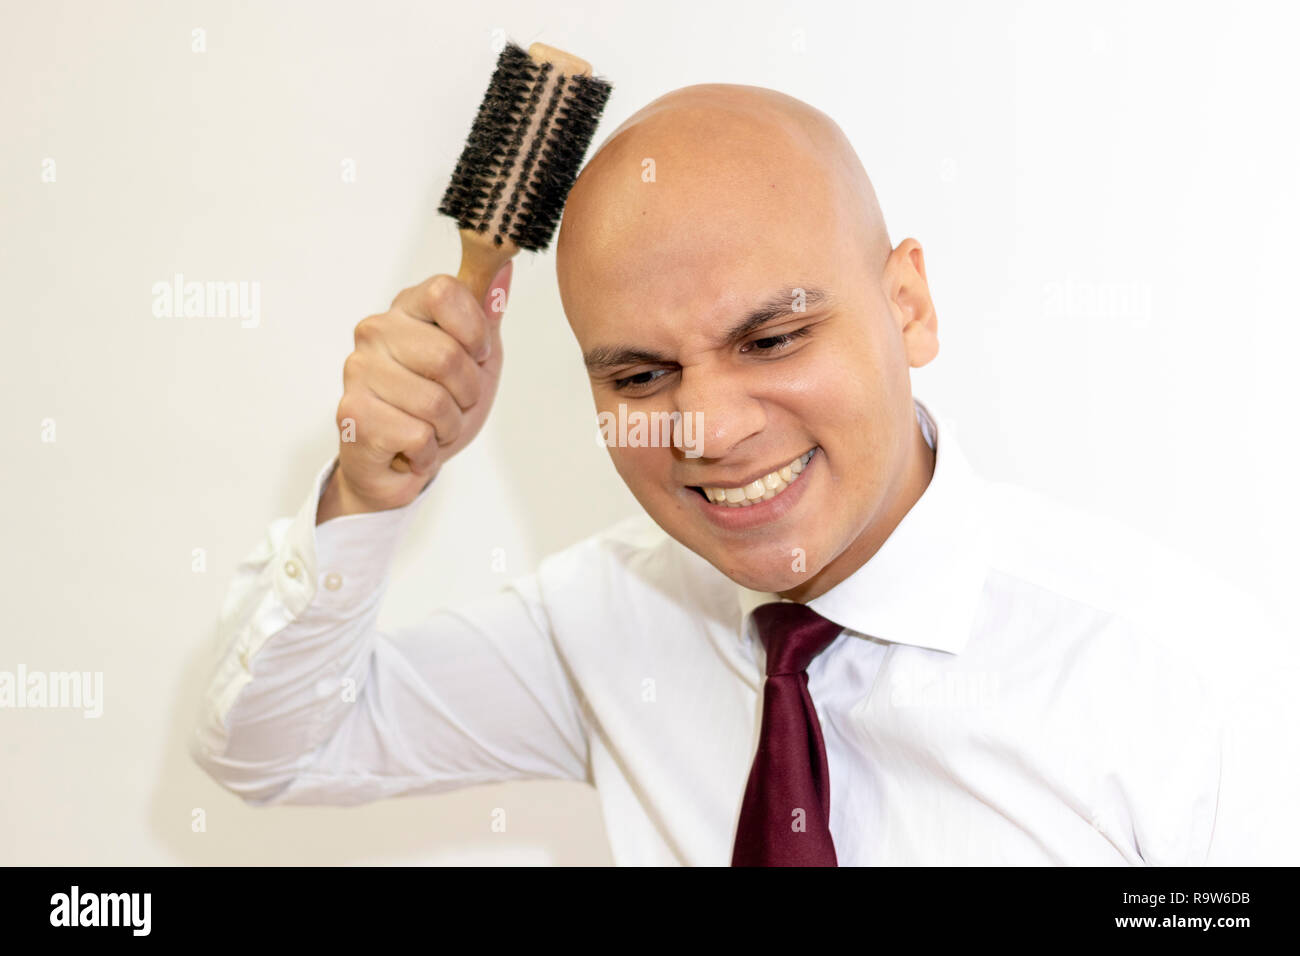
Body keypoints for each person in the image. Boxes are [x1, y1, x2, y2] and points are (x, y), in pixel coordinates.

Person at [190, 83, 1299, 866]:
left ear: (905, 303)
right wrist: (369, 496)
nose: (707, 431)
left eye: (770, 340)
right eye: (638, 372)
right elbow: (277, 747)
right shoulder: (602, 621)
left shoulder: (1188, 688)